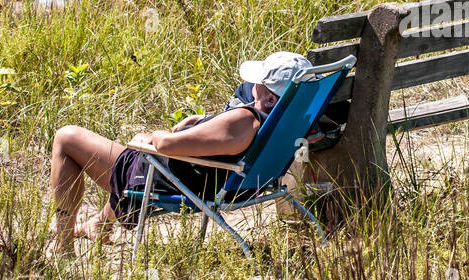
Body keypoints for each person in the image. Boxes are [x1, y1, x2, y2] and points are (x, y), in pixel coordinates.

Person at [46, 51, 311, 255]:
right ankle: (100, 224)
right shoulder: (291, 122)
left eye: (261, 81)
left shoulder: (244, 121)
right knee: (145, 147)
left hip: (165, 179)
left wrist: (152, 137)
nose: (253, 83)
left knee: (67, 137)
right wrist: (204, 122)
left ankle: (64, 245)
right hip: (221, 183)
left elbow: (166, 147)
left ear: (271, 99)